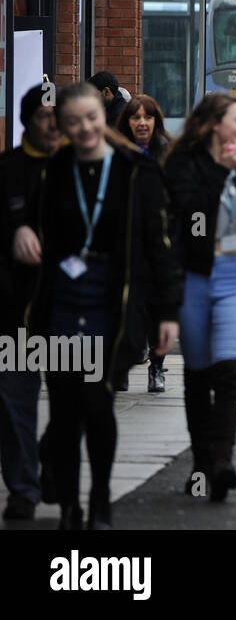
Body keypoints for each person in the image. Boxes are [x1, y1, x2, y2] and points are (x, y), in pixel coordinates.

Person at [12, 82, 181, 529]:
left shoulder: (134, 172)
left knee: (97, 405)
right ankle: (70, 508)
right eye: (74, 122)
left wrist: (167, 313)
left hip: (112, 309)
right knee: (65, 412)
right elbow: (34, 217)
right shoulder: (54, 171)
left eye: (92, 119)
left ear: (102, 120)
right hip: (63, 308)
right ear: (63, 126)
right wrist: (25, 230)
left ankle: (101, 503)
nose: (85, 128)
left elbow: (159, 247)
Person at [163, 91, 236, 503]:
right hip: (195, 279)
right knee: (197, 375)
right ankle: (201, 461)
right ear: (215, 124)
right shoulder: (183, 164)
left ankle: (223, 462)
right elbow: (187, 221)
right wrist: (220, 176)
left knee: (228, 372)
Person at [0, 84, 63, 521]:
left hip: (70, 310)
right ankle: (22, 486)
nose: (54, 124)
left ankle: (51, 465)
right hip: (15, 309)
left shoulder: (82, 170)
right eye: (45, 116)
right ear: (27, 120)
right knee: (16, 399)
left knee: (74, 401)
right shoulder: (7, 171)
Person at [116, 93, 172, 392]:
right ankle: (121, 365)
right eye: (135, 117)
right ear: (127, 121)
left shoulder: (168, 153)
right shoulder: (115, 154)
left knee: (158, 311)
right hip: (126, 248)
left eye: (147, 117)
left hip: (160, 248)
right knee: (126, 311)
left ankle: (158, 367)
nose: (142, 123)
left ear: (156, 121)